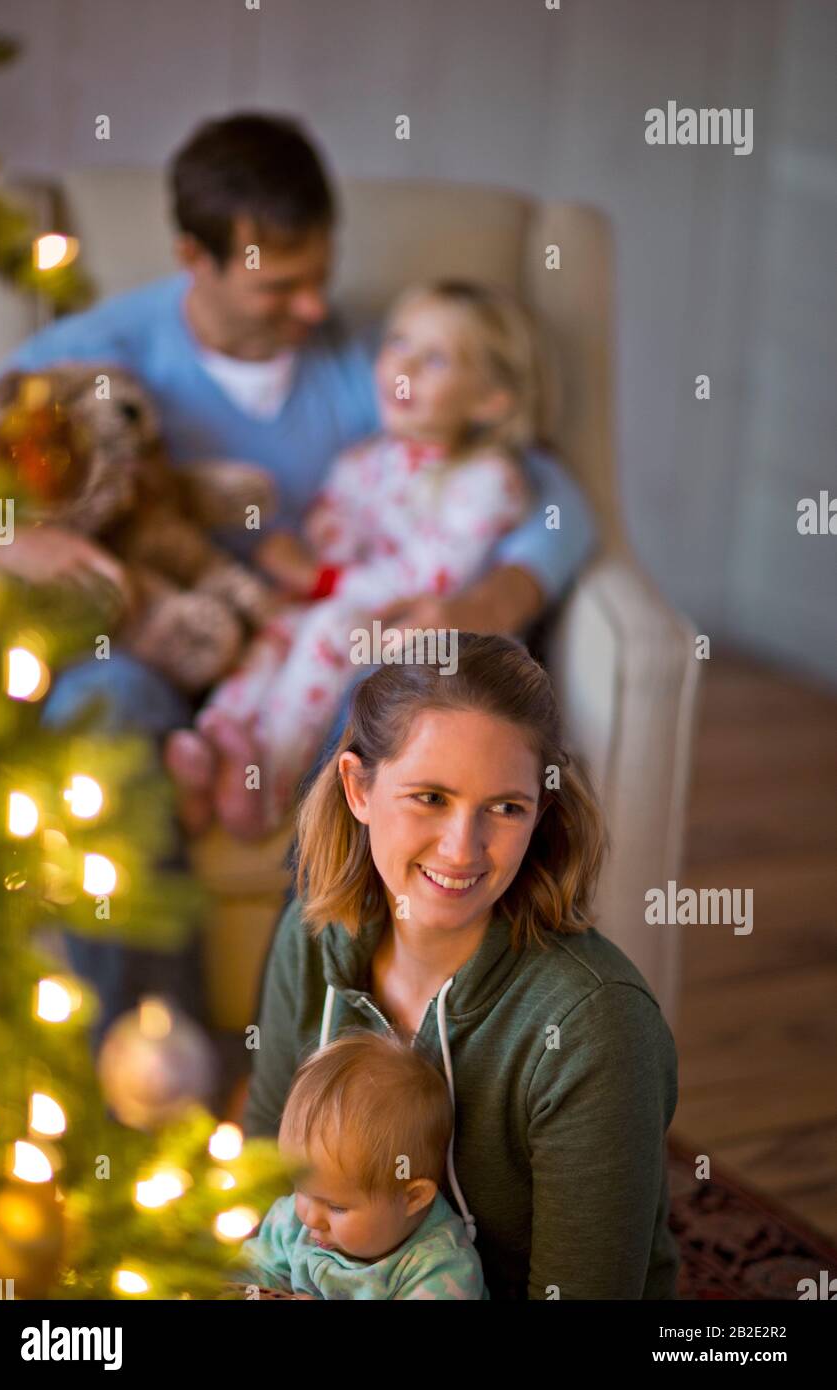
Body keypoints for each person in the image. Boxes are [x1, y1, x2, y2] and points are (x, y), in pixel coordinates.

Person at [0, 111, 594, 1038]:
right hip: (149, 635)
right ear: (196, 256)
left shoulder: (357, 360)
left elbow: (553, 498)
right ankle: (153, 1051)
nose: (311, 310)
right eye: (280, 287)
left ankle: (317, 1041)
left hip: (311, 632)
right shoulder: (91, 360)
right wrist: (8, 537)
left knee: (392, 712)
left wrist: (493, 596)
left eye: (320, 277)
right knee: (98, 714)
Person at [242, 633, 680, 1301]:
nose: (461, 848)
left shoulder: (597, 1025)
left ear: (542, 813)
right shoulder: (312, 933)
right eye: (431, 798)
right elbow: (265, 1180)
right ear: (359, 788)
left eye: (506, 808)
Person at [165, 278, 538, 839]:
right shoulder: (365, 460)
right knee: (276, 631)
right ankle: (217, 743)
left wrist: (325, 578)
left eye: (434, 359)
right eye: (397, 344)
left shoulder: (487, 481)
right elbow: (334, 519)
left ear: (489, 400)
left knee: (328, 629)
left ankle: (267, 780)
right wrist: (314, 548)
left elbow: (432, 574)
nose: (403, 368)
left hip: (420, 635)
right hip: (349, 606)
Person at [236, 1031, 487, 1299]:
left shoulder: (441, 1269)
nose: (310, 1218)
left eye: (337, 1207)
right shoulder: (292, 1222)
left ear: (412, 1197)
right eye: (301, 1188)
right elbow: (248, 1274)